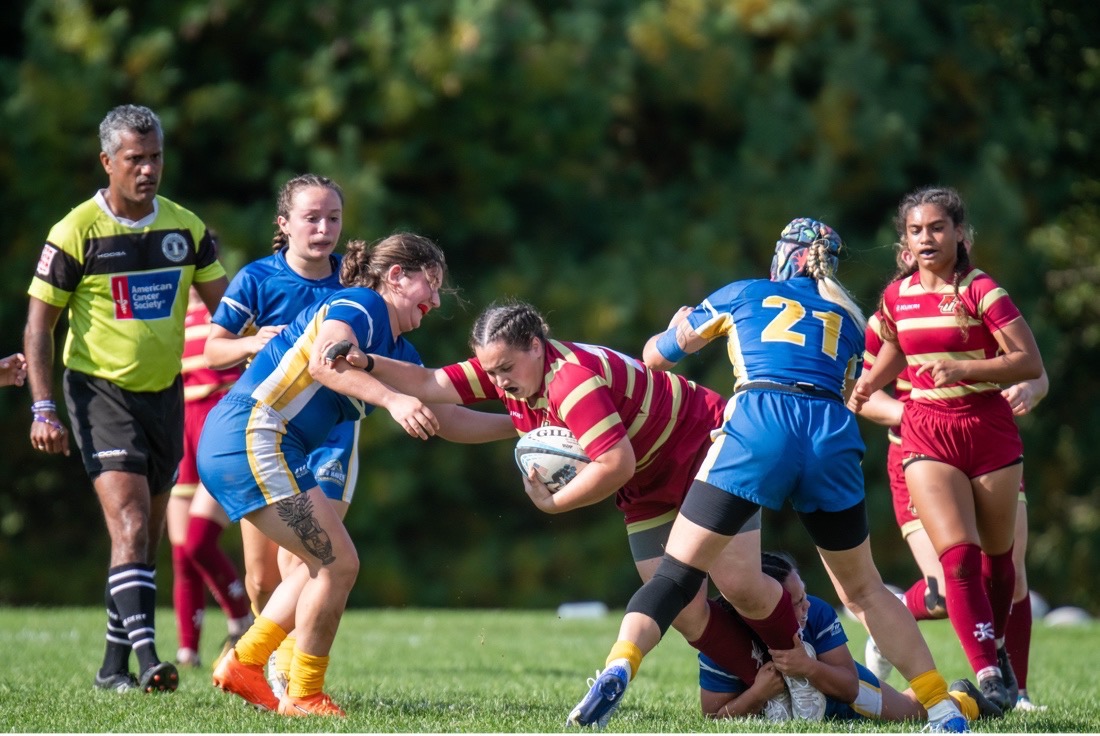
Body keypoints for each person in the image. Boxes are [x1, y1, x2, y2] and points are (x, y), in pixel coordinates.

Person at [567, 217, 969, 733]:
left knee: (676, 574)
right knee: (865, 589)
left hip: (761, 420)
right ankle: (941, 707)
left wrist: (675, 324)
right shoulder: (850, 320)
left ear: (784, 257)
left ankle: (620, 666)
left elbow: (655, 358)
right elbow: (852, 388)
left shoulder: (745, 293)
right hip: (830, 430)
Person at [357, 299, 776, 694]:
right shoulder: (505, 371)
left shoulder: (571, 381)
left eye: (506, 368)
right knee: (684, 611)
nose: (499, 381)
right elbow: (428, 381)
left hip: (700, 448)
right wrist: (368, 362)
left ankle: (802, 666)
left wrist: (552, 504)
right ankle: (769, 682)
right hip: (646, 481)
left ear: (535, 346)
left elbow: (615, 464)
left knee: (740, 585)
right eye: (491, 371)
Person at [201, 234, 515, 717]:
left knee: (322, 563)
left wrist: (521, 425)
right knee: (337, 564)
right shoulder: (363, 304)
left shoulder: (399, 350)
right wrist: (393, 400)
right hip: (253, 431)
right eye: (430, 284)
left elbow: (448, 418)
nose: (436, 300)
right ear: (396, 276)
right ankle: (301, 693)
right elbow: (325, 361)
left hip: (256, 439)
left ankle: (247, 663)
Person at [24, 104, 228, 693]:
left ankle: (111, 669)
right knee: (133, 523)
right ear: (107, 161)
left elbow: (230, 313)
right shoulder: (76, 231)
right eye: (135, 159)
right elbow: (39, 327)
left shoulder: (185, 229)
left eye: (155, 157)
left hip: (165, 394)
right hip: (98, 392)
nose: (148, 169)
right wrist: (43, 407)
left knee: (141, 540)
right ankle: (149, 660)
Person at [848, 187, 1044, 713]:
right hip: (926, 435)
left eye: (937, 228)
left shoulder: (983, 291)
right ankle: (988, 672)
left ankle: (1000, 656)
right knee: (957, 559)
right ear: (905, 241)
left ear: (959, 233)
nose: (926, 238)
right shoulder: (897, 296)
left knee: (1000, 564)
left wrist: (965, 369)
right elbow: (893, 350)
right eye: (916, 230)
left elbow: (1029, 362)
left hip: (987, 430)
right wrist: (869, 385)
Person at [203, 173, 354, 691]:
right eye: (312, 218)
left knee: (308, 557)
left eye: (333, 218)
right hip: (264, 437)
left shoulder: (352, 284)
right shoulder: (257, 279)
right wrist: (252, 343)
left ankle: (290, 678)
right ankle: (261, 657)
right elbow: (213, 349)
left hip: (330, 438)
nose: (324, 229)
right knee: (261, 577)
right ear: (284, 223)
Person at [698, 552, 1003, 723]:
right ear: (768, 607)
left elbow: (849, 686)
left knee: (911, 713)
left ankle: (965, 699)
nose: (806, 606)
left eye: (804, 595)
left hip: (837, 691)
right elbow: (713, 717)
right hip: (782, 709)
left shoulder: (816, 612)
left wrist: (808, 667)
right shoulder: (723, 637)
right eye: (796, 603)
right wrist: (758, 693)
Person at [168, 287, 252, 669]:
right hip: (180, 428)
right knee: (181, 553)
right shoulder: (171, 315)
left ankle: (240, 617)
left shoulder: (233, 314)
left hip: (219, 426)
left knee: (199, 542)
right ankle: (188, 651)